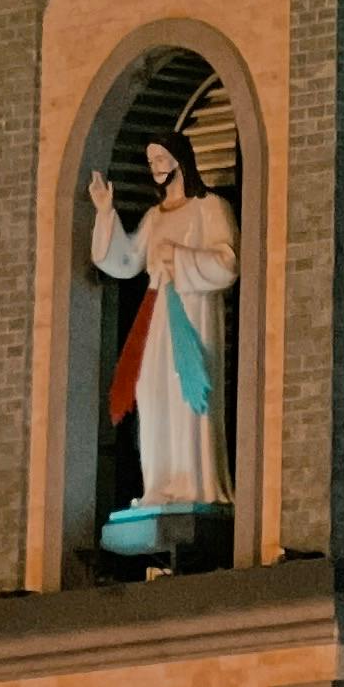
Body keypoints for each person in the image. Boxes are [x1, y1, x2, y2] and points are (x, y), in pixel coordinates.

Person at [88, 135, 237, 508]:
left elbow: (229, 262)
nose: (154, 166)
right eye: (150, 159)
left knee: (186, 395)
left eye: (160, 157)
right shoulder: (155, 217)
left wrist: (180, 259)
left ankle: (194, 485)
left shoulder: (211, 207)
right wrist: (106, 213)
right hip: (156, 317)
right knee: (152, 391)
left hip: (193, 312)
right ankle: (160, 484)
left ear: (179, 160)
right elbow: (124, 262)